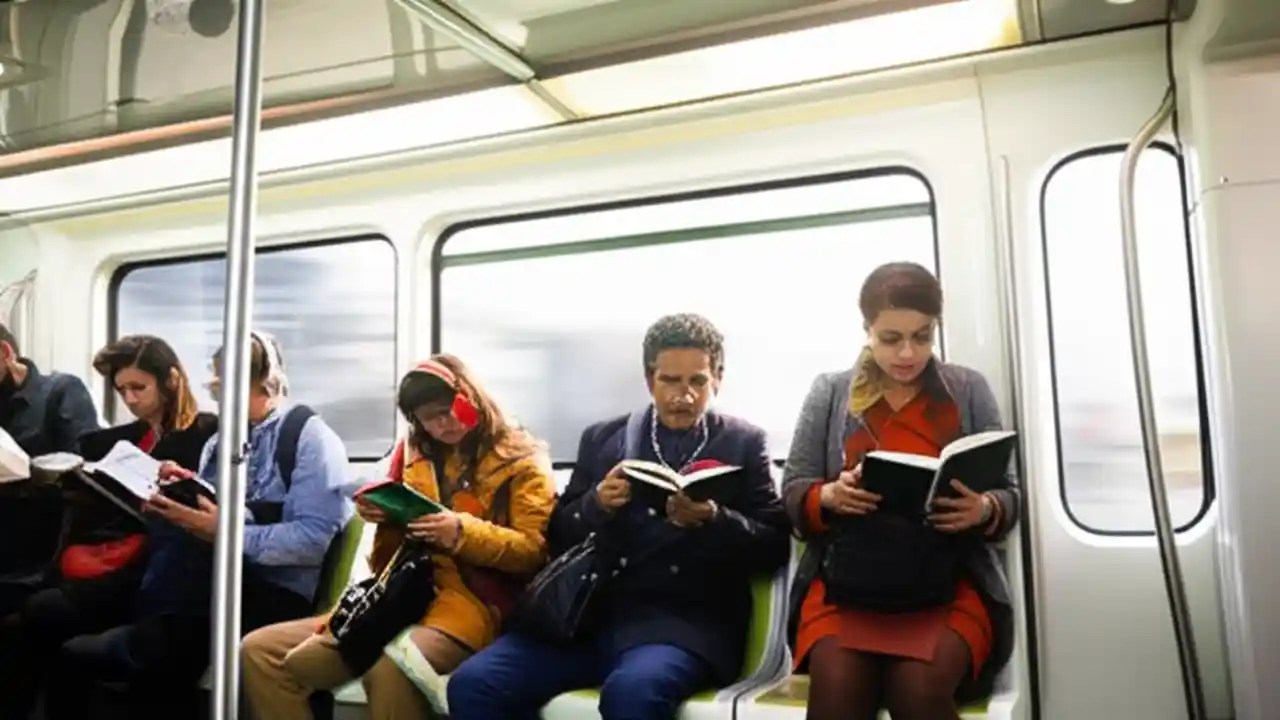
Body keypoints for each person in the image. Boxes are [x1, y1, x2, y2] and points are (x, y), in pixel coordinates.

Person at [448, 313, 791, 720]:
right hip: (590, 616)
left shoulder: (743, 442)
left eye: (697, 381)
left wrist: (713, 518)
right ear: (650, 380)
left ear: (717, 378)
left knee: (633, 694)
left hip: (683, 627)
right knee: (474, 684)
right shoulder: (603, 438)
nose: (684, 395)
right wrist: (596, 505)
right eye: (670, 381)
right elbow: (559, 534)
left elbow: (772, 544)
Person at [47, 330, 353, 719]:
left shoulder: (309, 439)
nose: (222, 395)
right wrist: (187, 485)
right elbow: (223, 503)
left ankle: (149, 634)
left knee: (129, 650)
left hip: (272, 591)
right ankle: (149, 630)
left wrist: (223, 533)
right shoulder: (223, 441)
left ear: (263, 383)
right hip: (211, 587)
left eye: (233, 385)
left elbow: (312, 540)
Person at [241, 355, 557, 720]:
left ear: (471, 398)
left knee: (393, 669)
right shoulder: (411, 454)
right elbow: (384, 561)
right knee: (260, 652)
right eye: (430, 418)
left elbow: (534, 551)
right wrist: (383, 516)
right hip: (401, 593)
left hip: (475, 602)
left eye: (449, 409)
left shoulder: (521, 458)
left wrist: (461, 532)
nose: (445, 423)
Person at [781, 262, 1020, 720]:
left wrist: (983, 507)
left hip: (949, 583)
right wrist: (828, 497)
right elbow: (793, 491)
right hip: (846, 585)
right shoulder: (830, 393)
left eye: (923, 336)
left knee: (919, 690)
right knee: (837, 693)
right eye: (891, 338)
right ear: (867, 329)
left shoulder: (967, 390)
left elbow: (1008, 494)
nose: (909, 353)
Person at [0, 335, 218, 719]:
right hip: (121, 552)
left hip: (158, 564)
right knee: (28, 617)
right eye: (122, 391)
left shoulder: (206, 435)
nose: (130, 400)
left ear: (170, 380)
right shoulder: (125, 439)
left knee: (42, 613)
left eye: (139, 388)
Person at [0, 322, 102, 609]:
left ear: (5, 353)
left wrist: (24, 474)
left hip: (40, 544)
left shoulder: (61, 392)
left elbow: (81, 477)